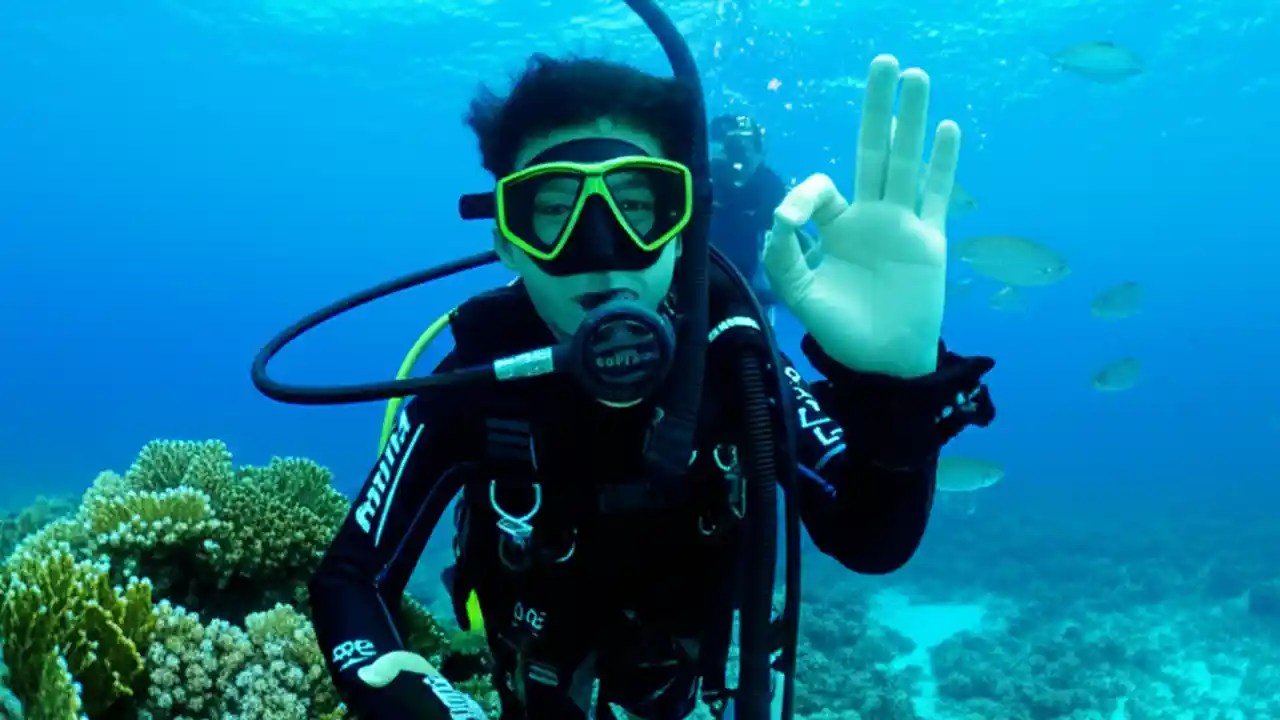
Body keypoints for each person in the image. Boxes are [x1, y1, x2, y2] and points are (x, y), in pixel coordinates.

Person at [306, 49, 996, 720]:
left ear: (682, 224)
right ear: (509, 241)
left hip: (682, 672)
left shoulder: (733, 356)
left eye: (637, 203)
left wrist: (897, 385)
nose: (601, 254)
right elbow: (350, 579)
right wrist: (411, 702)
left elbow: (871, 537)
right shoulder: (476, 381)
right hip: (536, 667)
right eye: (553, 210)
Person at [707, 114, 789, 311]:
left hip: (748, 290)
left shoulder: (769, 188)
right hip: (702, 282)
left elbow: (783, 245)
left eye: (742, 148)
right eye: (730, 147)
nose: (737, 158)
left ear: (760, 153)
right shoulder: (704, 179)